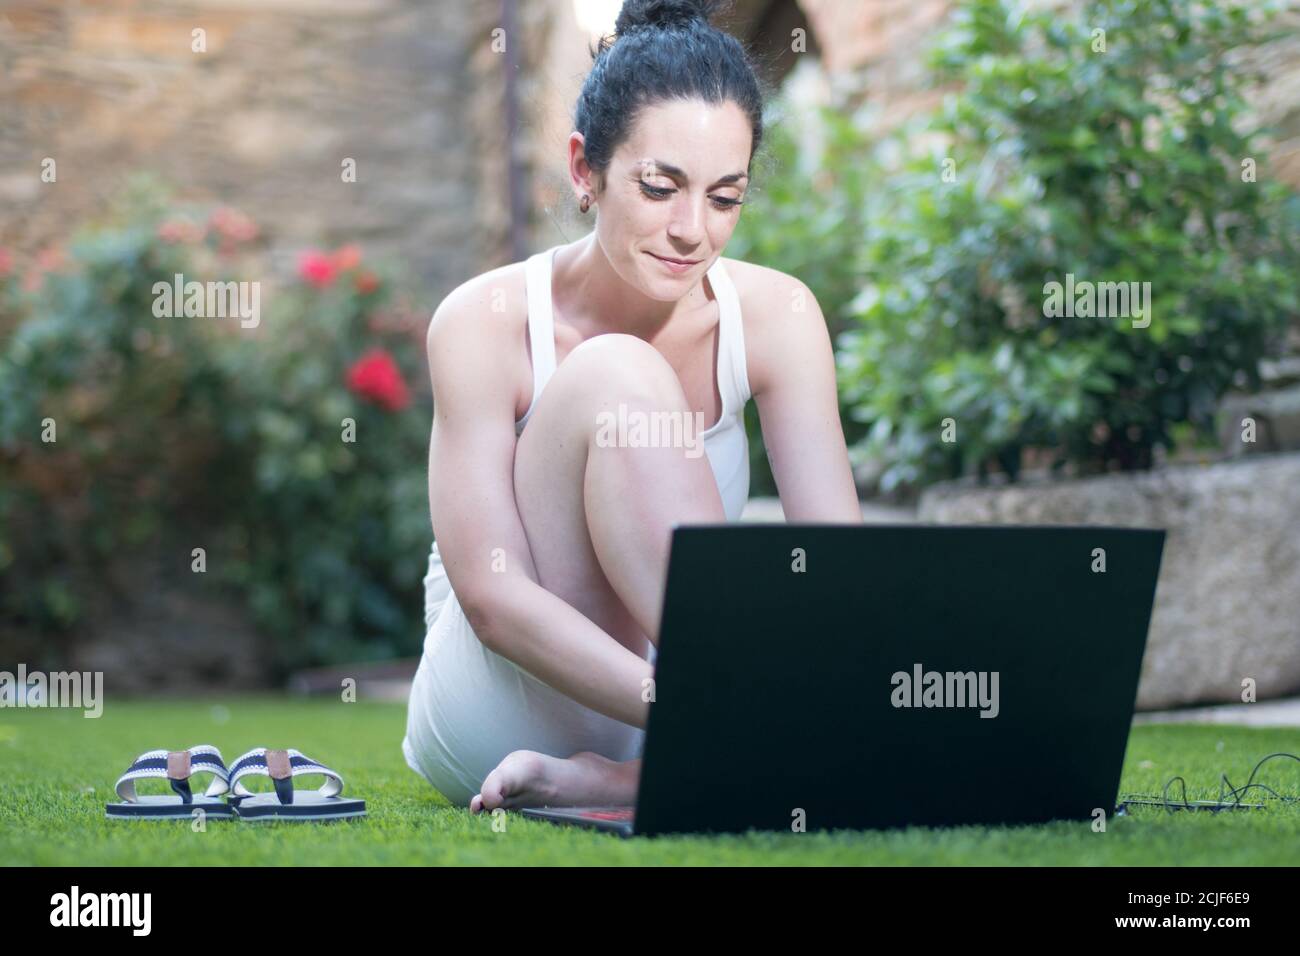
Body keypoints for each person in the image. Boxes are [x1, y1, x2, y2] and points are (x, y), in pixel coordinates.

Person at [402, 0, 862, 814]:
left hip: (686, 708)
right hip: (508, 699)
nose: (692, 231)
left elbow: (838, 573)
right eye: (660, 188)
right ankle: (728, 746)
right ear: (585, 170)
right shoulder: (482, 322)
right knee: (621, 372)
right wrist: (723, 708)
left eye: (725, 198)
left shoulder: (777, 318)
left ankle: (635, 781)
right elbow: (492, 600)